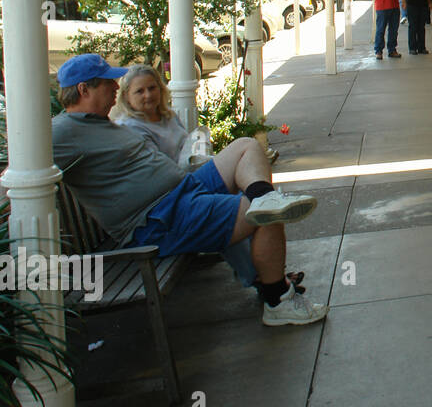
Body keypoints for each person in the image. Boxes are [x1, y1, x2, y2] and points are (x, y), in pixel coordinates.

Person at [52, 54, 327, 326]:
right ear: (83, 89)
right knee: (267, 216)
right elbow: (16, 174)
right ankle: (278, 302)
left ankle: (264, 198)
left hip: (183, 190)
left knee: (246, 146)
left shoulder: (97, 122)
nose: (115, 87)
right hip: (158, 219)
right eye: (108, 83)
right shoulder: (63, 131)